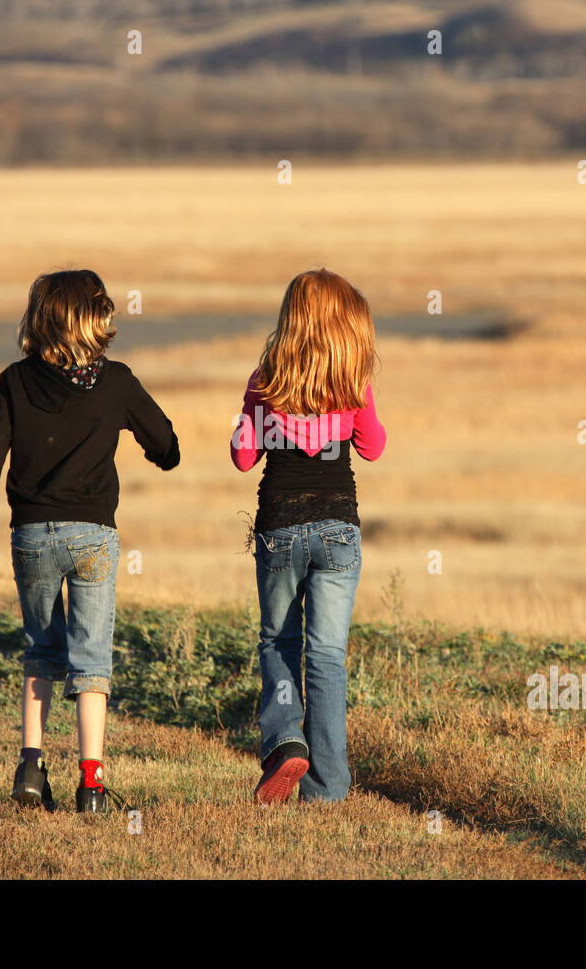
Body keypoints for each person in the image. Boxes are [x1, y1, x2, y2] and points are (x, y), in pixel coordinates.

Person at [0, 269, 180, 813]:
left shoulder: (13, 381)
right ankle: (91, 783)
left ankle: (31, 769)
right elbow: (167, 445)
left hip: (29, 535)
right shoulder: (117, 380)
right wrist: (155, 449)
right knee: (91, 661)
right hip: (93, 537)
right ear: (92, 320)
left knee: (41, 651)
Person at [231, 268, 386, 804]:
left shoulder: (266, 378)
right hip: (339, 528)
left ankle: (286, 739)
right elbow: (374, 447)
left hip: (279, 528)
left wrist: (249, 417)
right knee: (326, 655)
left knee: (278, 641)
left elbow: (244, 456)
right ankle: (328, 789)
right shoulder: (351, 381)